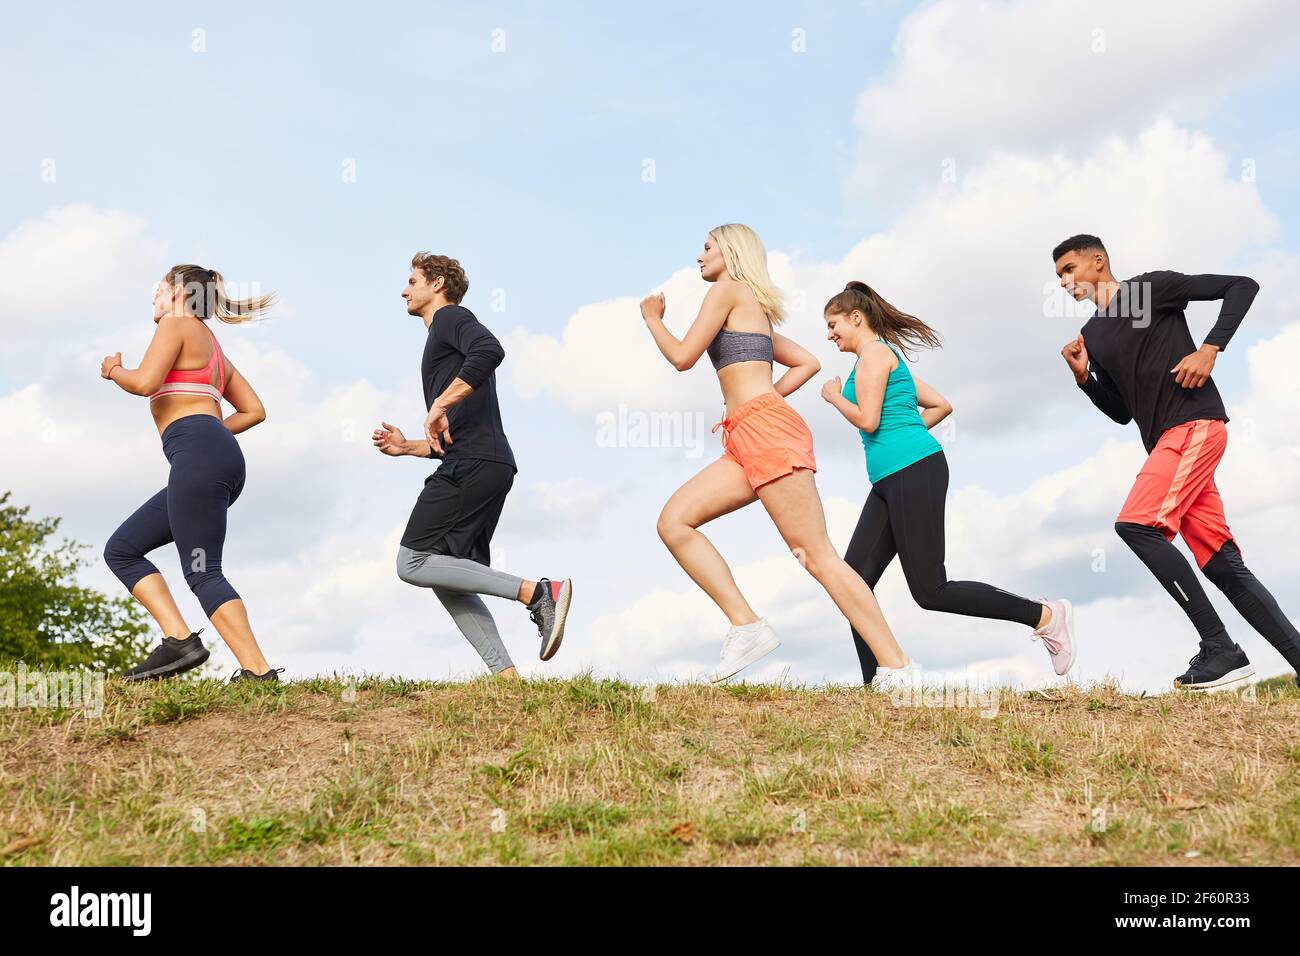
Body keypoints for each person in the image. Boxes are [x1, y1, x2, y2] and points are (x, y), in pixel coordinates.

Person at [644, 224, 918, 687]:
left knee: (817, 556)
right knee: (674, 521)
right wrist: (763, 399)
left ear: (730, 251)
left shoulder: (729, 290)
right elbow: (808, 361)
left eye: (707, 247)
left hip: (766, 432)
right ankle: (747, 626)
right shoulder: (752, 306)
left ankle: (898, 667)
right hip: (745, 436)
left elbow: (683, 357)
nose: (699, 256)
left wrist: (653, 319)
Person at [1053, 233, 1300, 690]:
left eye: (1070, 269)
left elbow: (1242, 286)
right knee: (1222, 565)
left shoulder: (1150, 291)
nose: (1065, 282)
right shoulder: (1093, 334)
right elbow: (1124, 411)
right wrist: (1085, 377)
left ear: (1098, 261)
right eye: (1059, 277)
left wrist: (1209, 350)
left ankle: (1220, 647)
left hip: (1193, 425)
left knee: (1136, 525)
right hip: (1169, 443)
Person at [820, 281, 1076, 685]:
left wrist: (834, 397)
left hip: (912, 471)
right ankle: (878, 683)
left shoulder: (874, 355)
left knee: (930, 590)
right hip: (895, 474)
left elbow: (868, 420)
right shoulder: (883, 358)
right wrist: (904, 434)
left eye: (833, 324)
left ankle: (1045, 616)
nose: (829, 334)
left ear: (856, 318)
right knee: (853, 581)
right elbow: (942, 405)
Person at [374, 252, 572, 678]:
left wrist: (440, 403)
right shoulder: (441, 340)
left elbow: (490, 349)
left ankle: (538, 592)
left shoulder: (450, 319)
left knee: (412, 562)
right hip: (484, 462)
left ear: (437, 284)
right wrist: (407, 446)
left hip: (478, 463)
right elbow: (451, 438)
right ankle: (506, 677)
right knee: (447, 575)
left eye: (412, 280)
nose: (404, 290)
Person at [103, 265, 280, 682]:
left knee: (203, 570)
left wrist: (114, 371)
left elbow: (145, 382)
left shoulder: (177, 322)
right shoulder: (215, 349)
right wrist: (213, 430)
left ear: (180, 292)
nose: (154, 299)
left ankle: (258, 672)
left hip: (199, 456)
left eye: (159, 290)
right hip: (214, 458)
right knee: (123, 549)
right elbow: (254, 411)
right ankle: (179, 640)